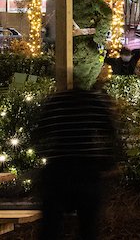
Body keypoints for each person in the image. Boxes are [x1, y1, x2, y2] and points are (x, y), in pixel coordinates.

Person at [33, 83, 121, 240]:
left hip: (58, 170)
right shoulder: (94, 101)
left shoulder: (56, 101)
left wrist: (43, 159)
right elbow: (111, 132)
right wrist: (109, 162)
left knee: (51, 226)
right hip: (87, 170)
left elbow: (39, 133)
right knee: (88, 226)